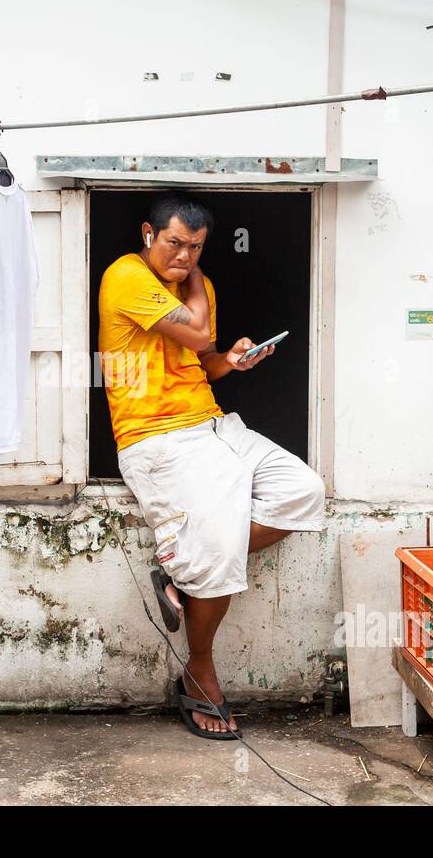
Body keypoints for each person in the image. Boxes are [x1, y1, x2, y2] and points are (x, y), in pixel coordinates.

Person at [97, 194, 327, 739]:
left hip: (212, 425)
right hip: (157, 438)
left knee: (304, 491)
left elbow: (201, 358)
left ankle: (183, 566)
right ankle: (199, 672)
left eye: (196, 247)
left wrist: (234, 359)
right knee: (219, 549)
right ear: (149, 234)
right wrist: (196, 279)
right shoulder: (126, 275)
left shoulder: (198, 289)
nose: (184, 255)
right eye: (175, 243)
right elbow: (198, 332)